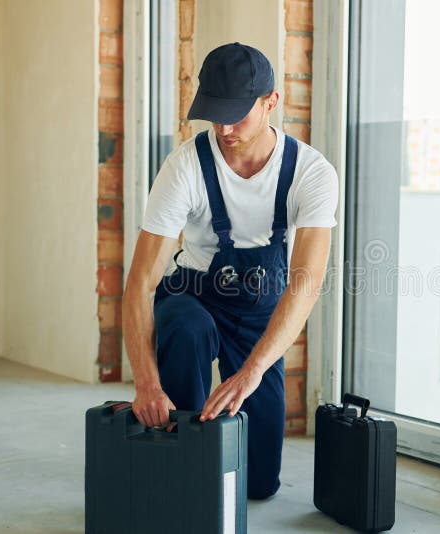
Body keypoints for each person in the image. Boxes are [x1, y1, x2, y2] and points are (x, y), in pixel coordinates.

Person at [122, 42, 338, 499]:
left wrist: (253, 371)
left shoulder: (311, 172)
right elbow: (141, 282)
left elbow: (307, 281)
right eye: (215, 113)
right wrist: (146, 383)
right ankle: (180, 454)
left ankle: (235, 455)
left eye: (238, 114)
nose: (224, 127)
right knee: (184, 327)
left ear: (271, 103)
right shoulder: (185, 166)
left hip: (259, 309)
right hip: (192, 296)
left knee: (259, 485)